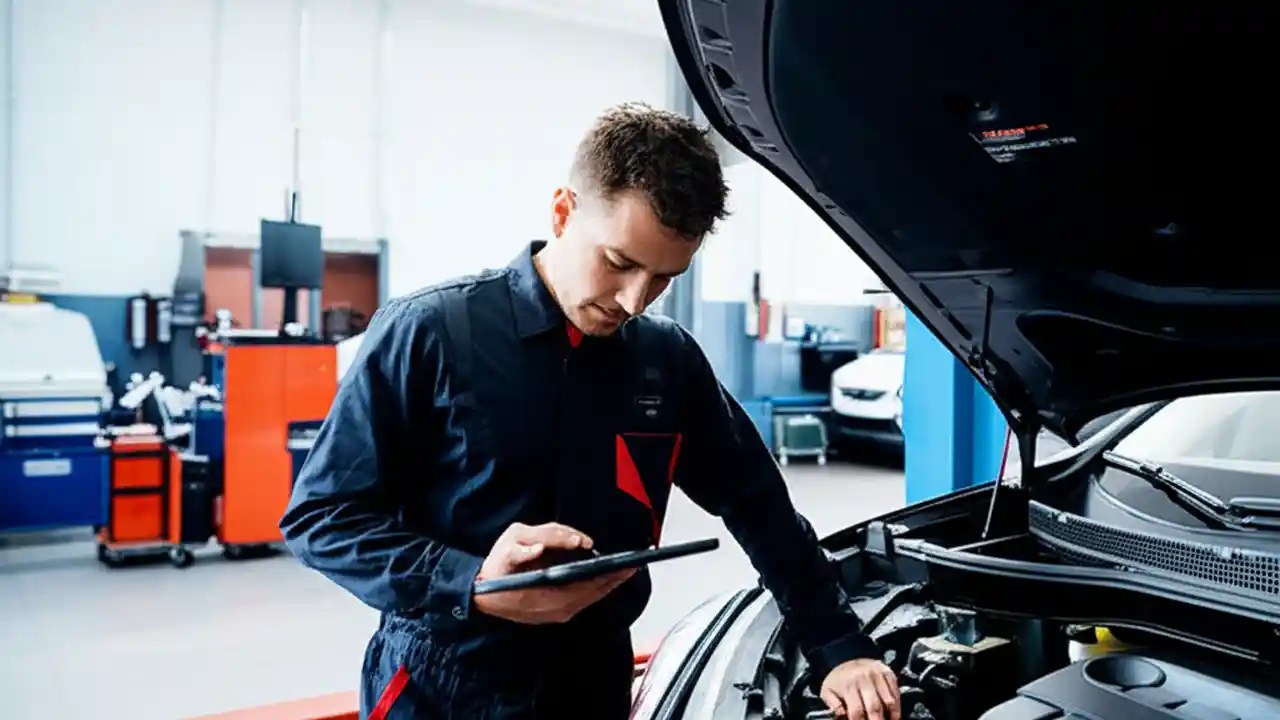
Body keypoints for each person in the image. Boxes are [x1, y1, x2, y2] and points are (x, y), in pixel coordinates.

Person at [280, 102, 901, 720]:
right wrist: (465, 581)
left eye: (664, 278)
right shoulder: (431, 331)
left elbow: (758, 504)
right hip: (443, 685)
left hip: (593, 685)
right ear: (562, 211)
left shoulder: (667, 359)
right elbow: (320, 517)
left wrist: (836, 644)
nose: (634, 299)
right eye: (619, 262)